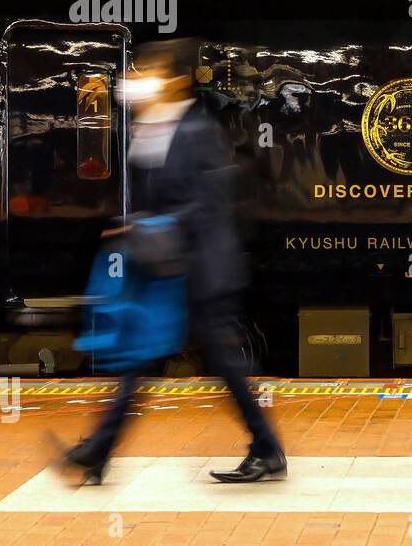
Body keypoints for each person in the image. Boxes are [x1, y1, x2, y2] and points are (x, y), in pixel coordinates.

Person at [59, 39, 285, 485]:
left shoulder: (196, 131)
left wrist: (144, 228)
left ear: (178, 80)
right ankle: (99, 452)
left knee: (217, 364)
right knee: (139, 360)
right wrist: (135, 227)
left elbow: (204, 204)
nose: (140, 79)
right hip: (166, 270)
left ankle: (266, 447)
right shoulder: (151, 127)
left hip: (199, 268)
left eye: (152, 71)